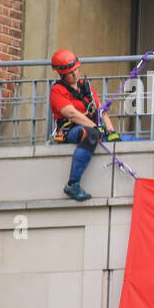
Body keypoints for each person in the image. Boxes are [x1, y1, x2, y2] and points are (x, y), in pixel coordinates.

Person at [48, 49, 121, 202]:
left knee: (125, 140)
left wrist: (111, 131)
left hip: (94, 128)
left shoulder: (86, 87)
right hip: (71, 129)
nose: (75, 74)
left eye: (76, 70)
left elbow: (101, 110)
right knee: (90, 134)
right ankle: (73, 184)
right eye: (70, 73)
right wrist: (95, 127)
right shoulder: (58, 90)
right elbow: (71, 113)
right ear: (61, 74)